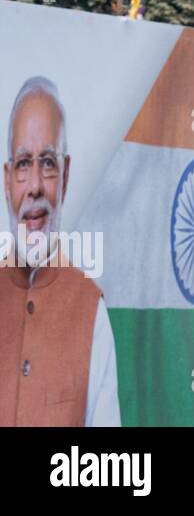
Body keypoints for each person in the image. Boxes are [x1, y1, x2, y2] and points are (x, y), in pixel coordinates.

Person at [1, 76, 119, 426]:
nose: (35, 186)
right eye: (23, 164)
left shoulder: (91, 314)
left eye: (48, 163)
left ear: (65, 177)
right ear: (7, 181)